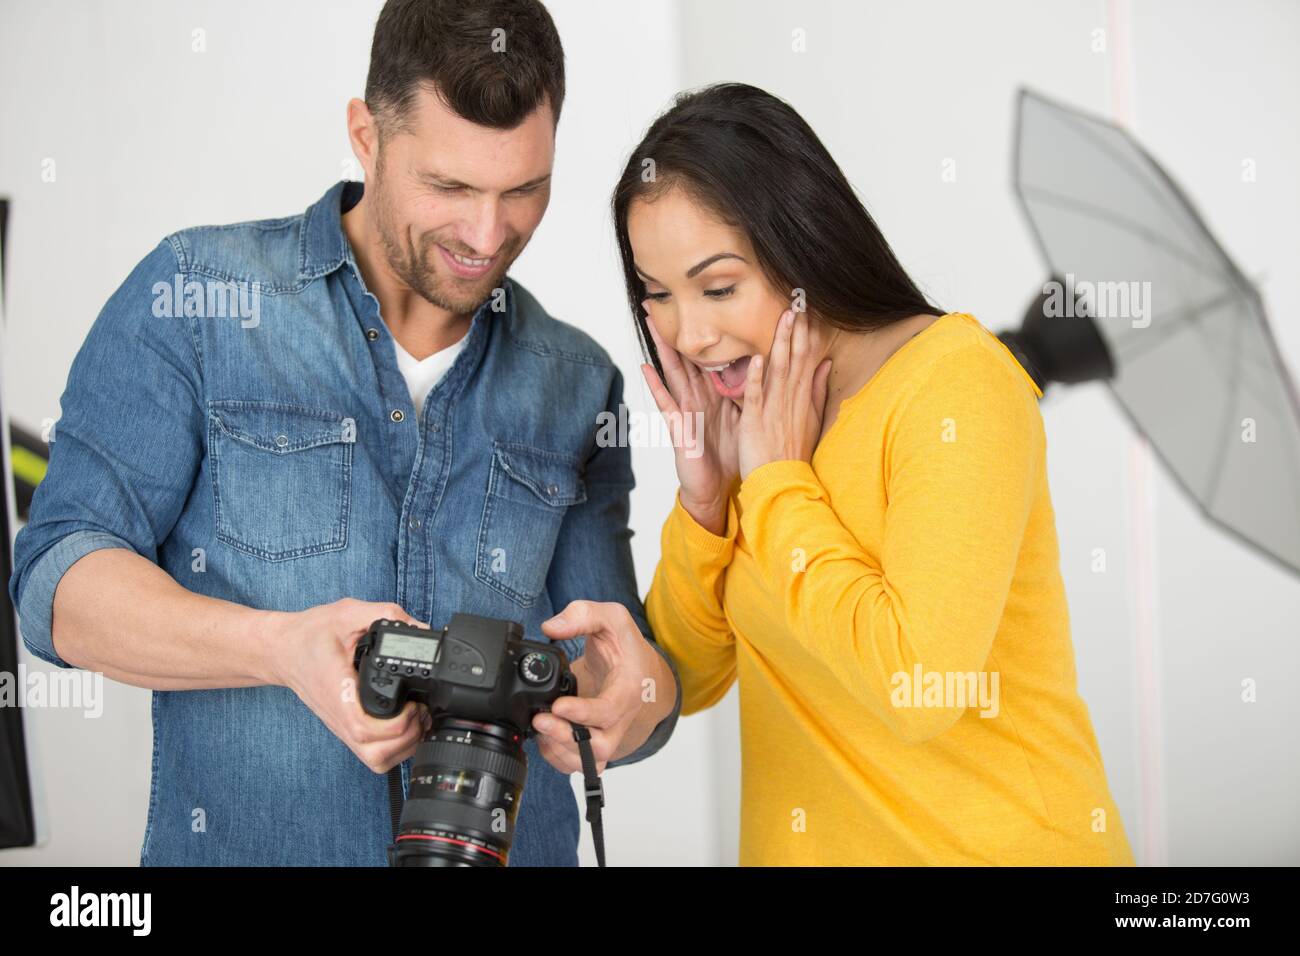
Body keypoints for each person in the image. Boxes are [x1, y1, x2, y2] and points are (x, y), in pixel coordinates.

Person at [8, 0, 680, 866]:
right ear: (365, 134)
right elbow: (55, 585)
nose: (488, 234)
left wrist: (633, 697)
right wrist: (279, 647)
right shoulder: (199, 301)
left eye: (523, 190)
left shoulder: (576, 380)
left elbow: (626, 676)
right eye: (450, 187)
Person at [619, 82, 1134, 865]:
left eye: (719, 287)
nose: (688, 333)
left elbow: (915, 685)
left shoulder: (957, 383)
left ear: (801, 248)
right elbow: (683, 677)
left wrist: (779, 486)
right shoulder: (757, 423)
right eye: (657, 295)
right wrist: (707, 502)